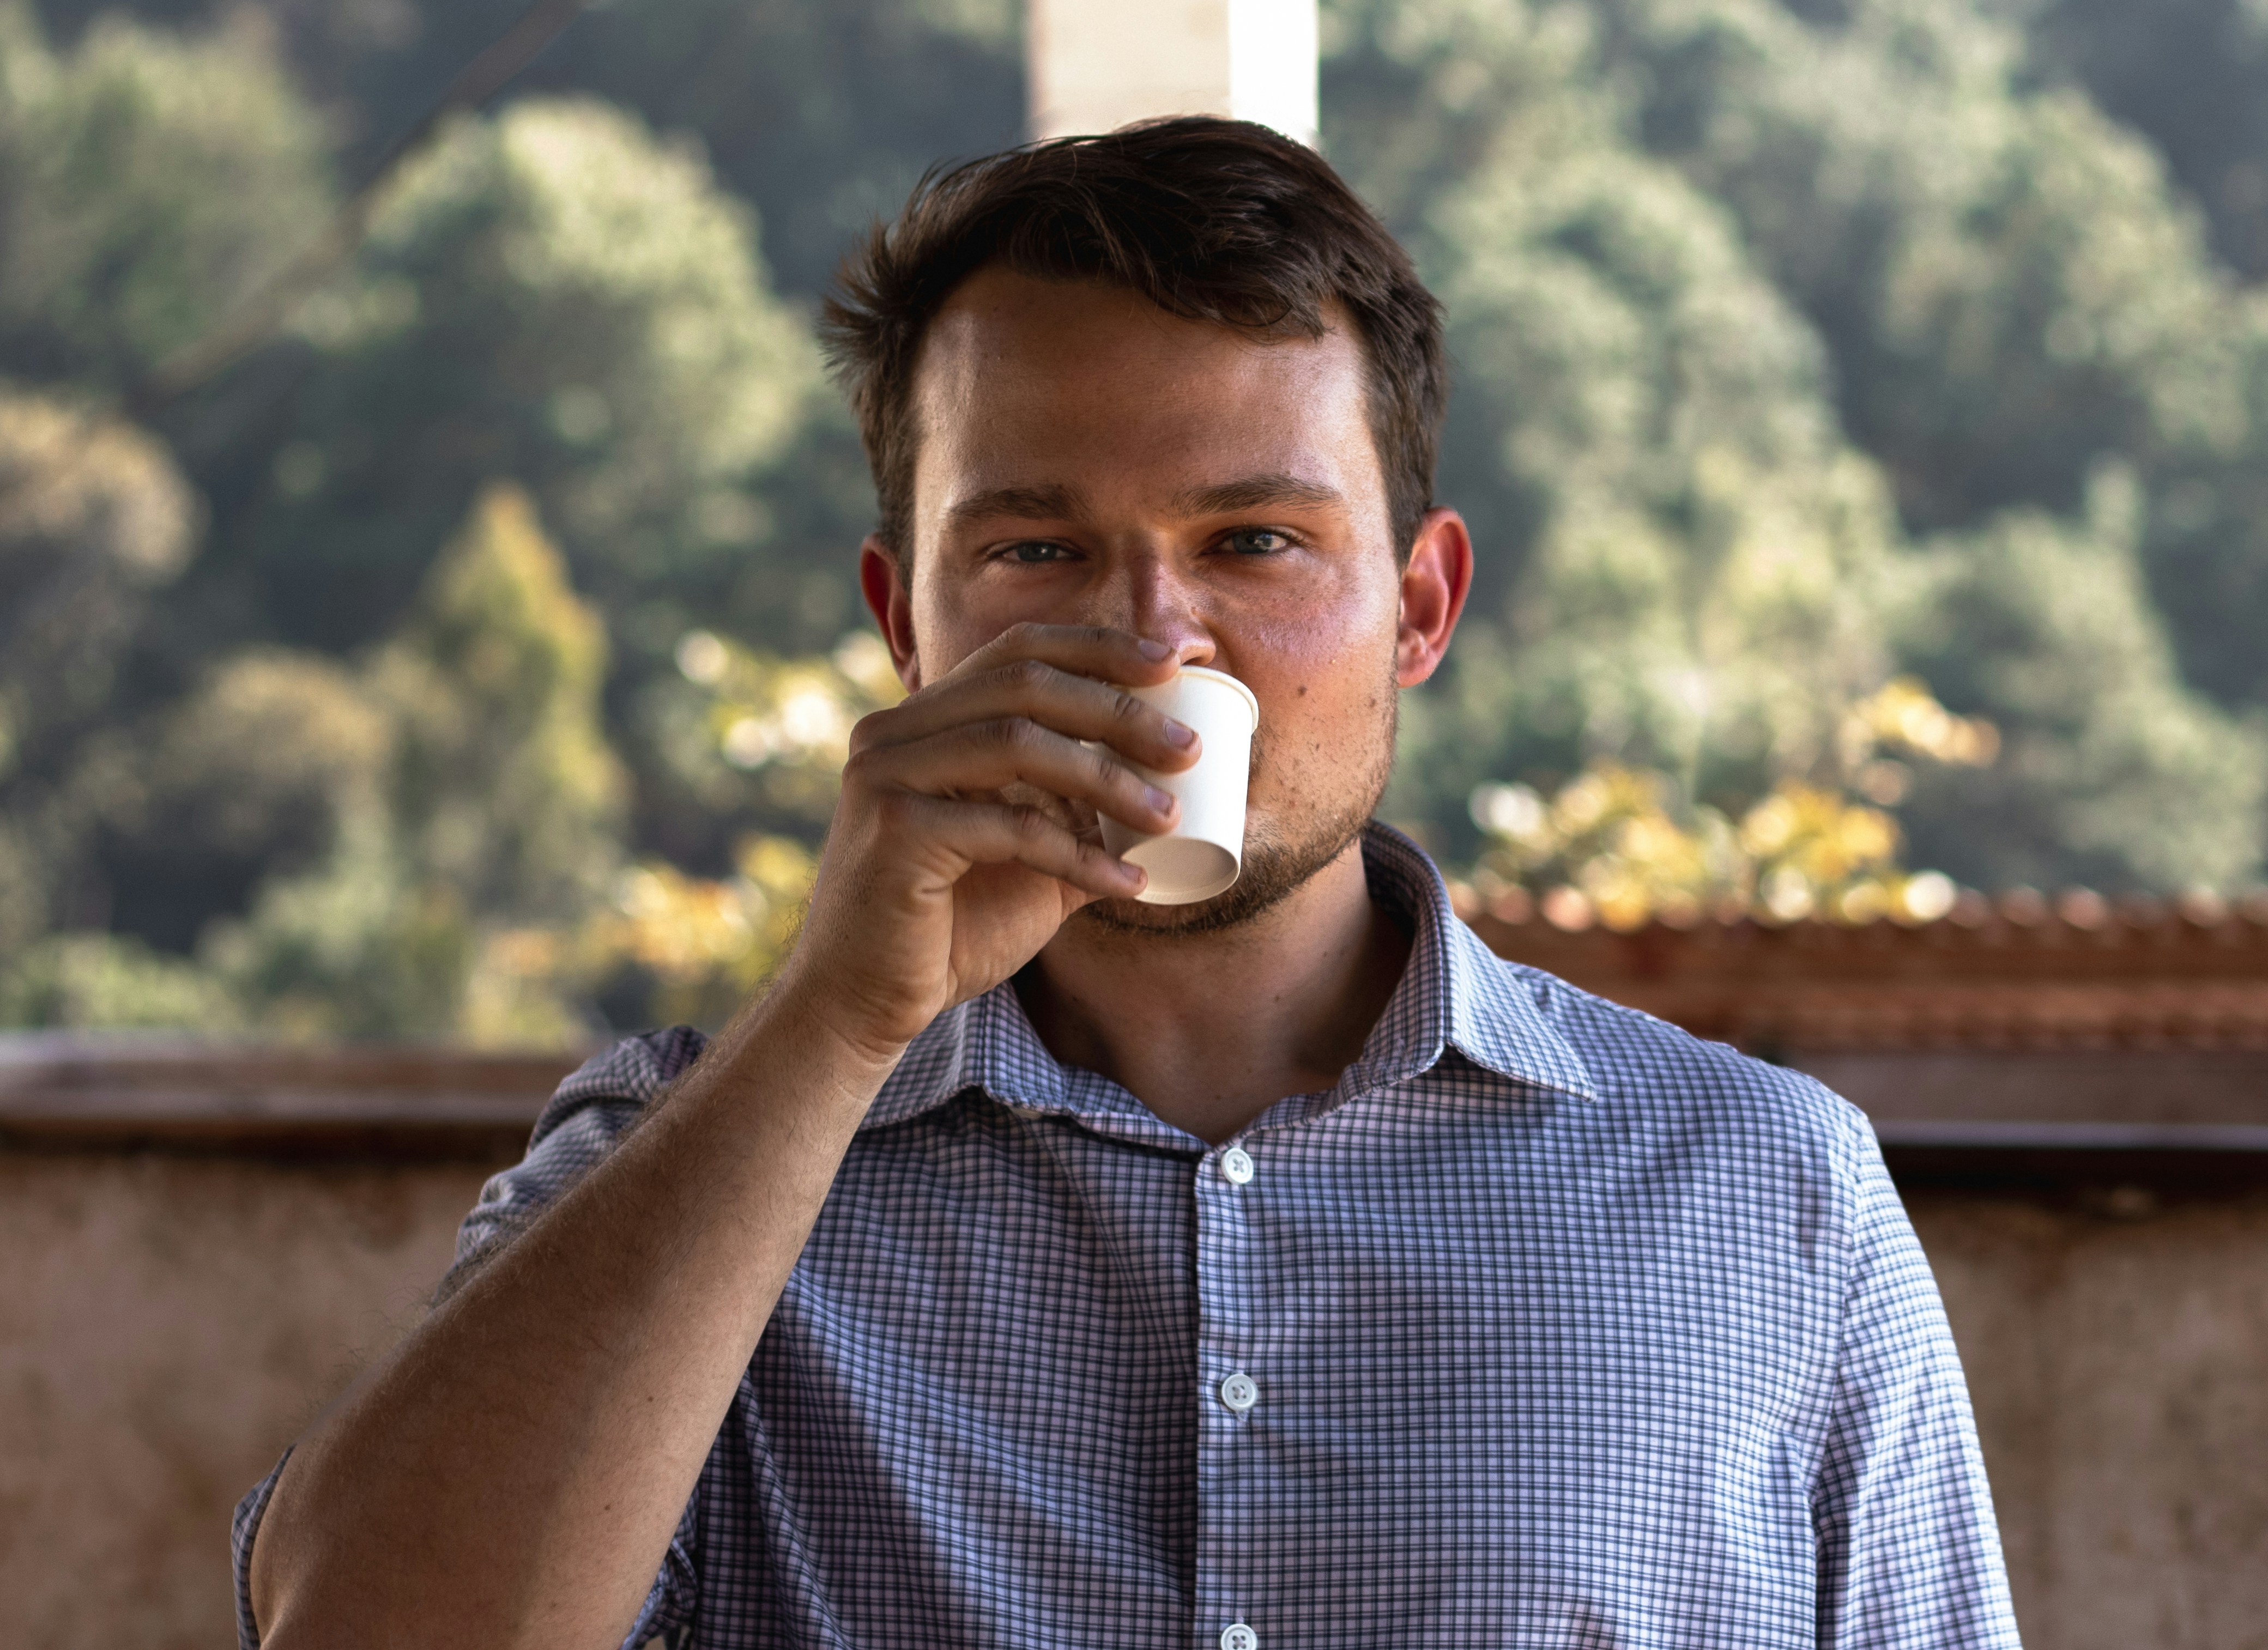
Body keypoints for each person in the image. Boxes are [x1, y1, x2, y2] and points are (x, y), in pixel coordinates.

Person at [233, 117, 2021, 1650]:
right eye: (1035, 548)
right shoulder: (684, 1154)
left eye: (1255, 540)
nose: (1148, 636)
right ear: (902, 626)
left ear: (1418, 606)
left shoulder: (1761, 1195)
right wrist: (843, 1017)